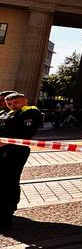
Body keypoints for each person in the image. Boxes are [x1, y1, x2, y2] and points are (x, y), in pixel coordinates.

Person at [0, 92, 42, 230]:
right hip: (2, 150)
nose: (12, 106)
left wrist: (5, 142)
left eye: (16, 103)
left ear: (25, 101)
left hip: (16, 151)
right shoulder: (6, 113)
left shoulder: (31, 113)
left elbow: (25, 134)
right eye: (10, 104)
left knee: (9, 181)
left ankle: (6, 216)